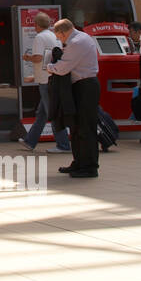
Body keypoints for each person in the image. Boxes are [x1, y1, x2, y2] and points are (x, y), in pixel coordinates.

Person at [46, 18, 101, 177]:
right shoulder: (81, 38)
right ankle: (79, 162)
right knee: (76, 127)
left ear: (62, 32)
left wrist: (49, 67)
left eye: (59, 37)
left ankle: (89, 167)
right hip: (81, 86)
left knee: (85, 127)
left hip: (85, 87)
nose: (60, 40)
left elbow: (63, 68)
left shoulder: (77, 42)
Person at [19, 13, 69, 154]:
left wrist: (27, 57)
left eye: (34, 24)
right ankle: (30, 140)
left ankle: (63, 144)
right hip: (52, 76)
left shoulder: (39, 37)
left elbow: (38, 58)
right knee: (42, 113)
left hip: (44, 80)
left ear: (37, 25)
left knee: (51, 112)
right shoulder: (53, 36)